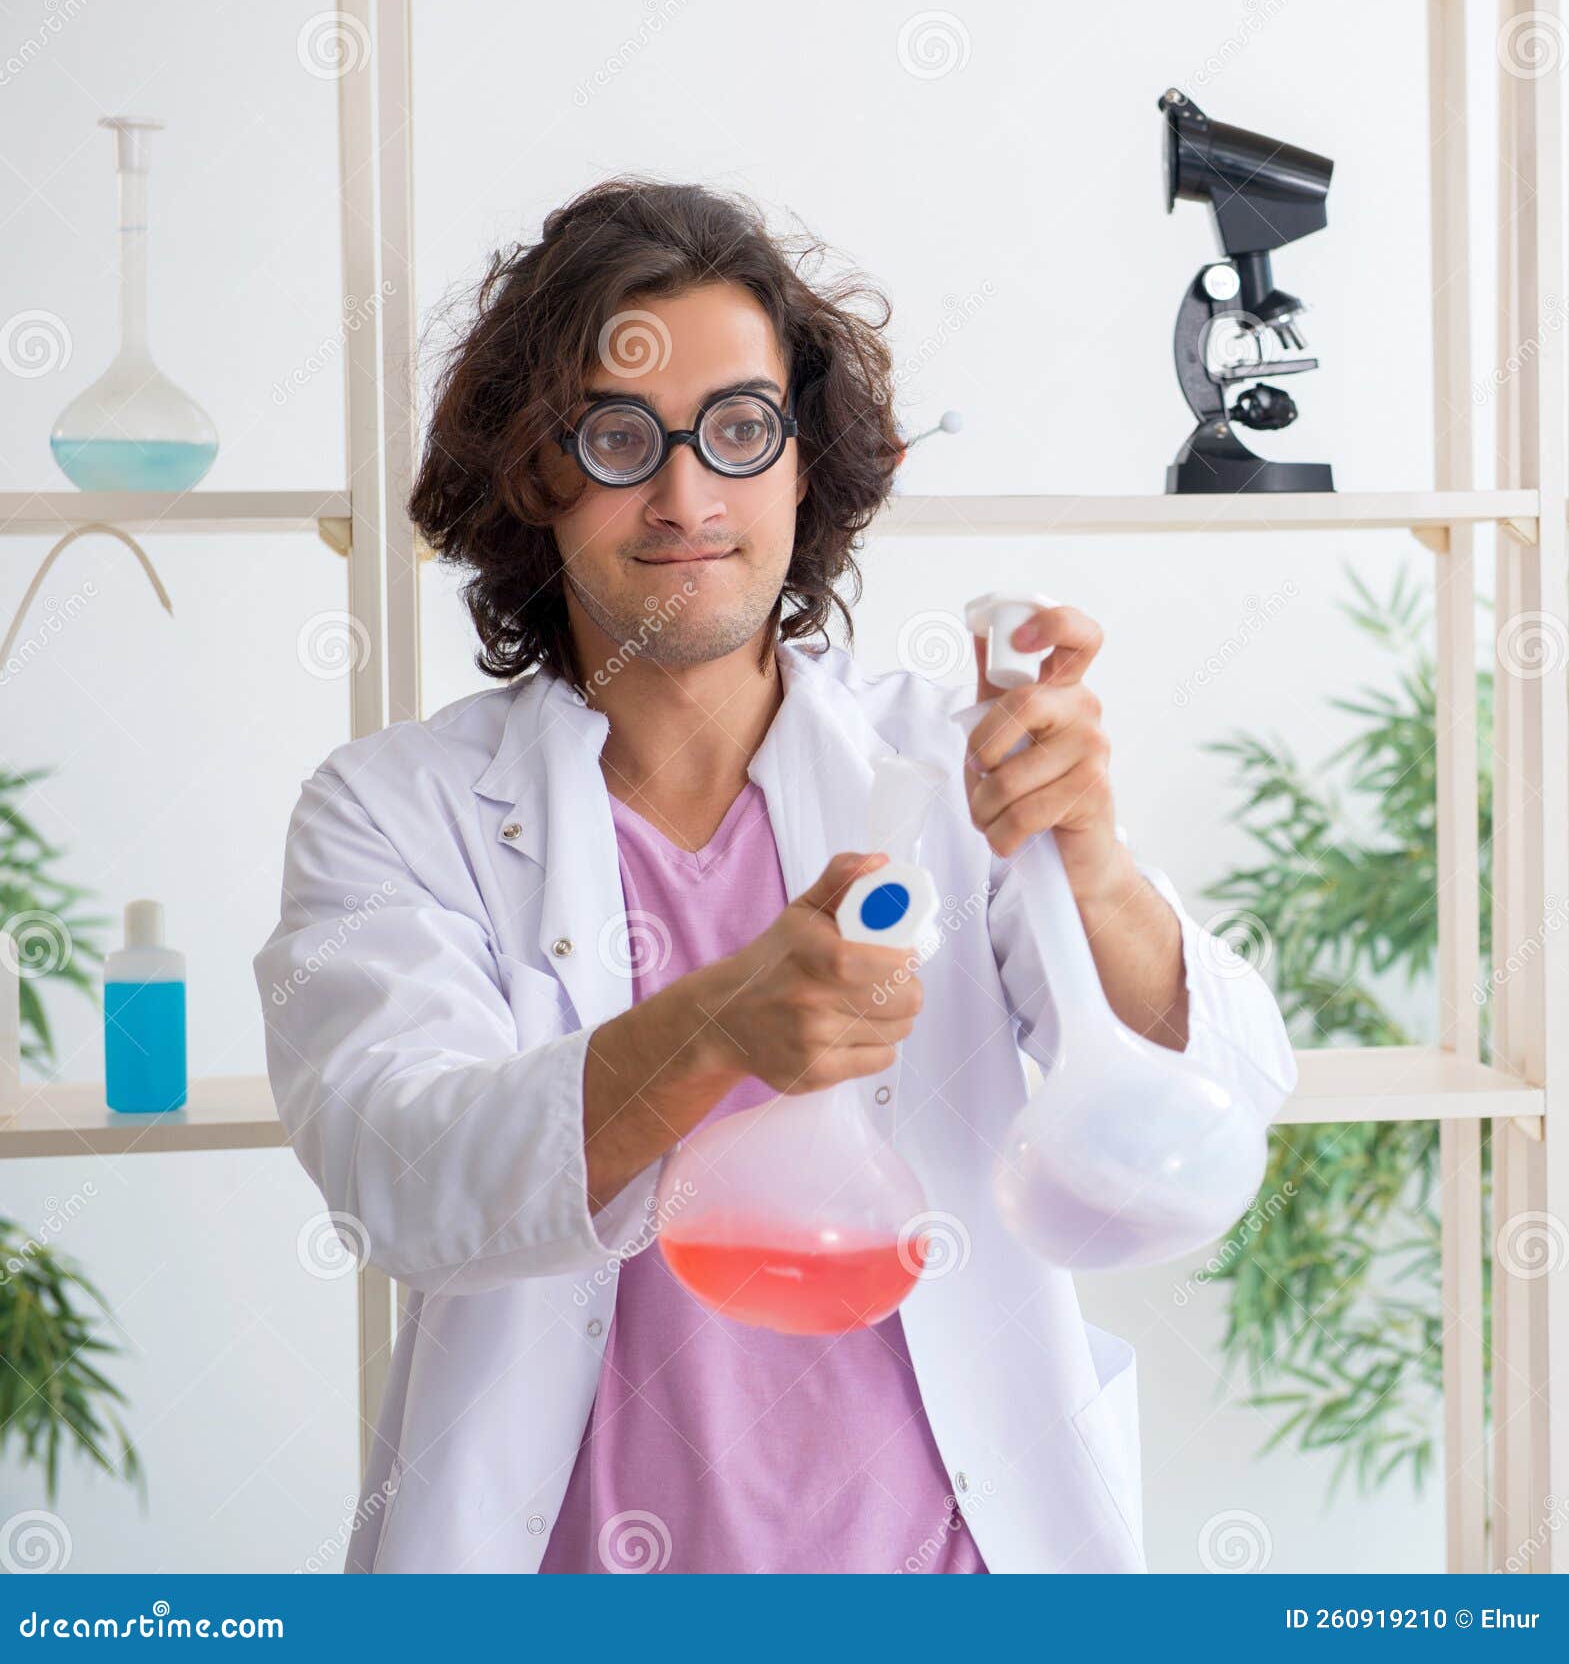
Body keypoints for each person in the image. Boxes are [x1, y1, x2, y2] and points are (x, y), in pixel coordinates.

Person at [254, 178, 1297, 1575]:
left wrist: (1090, 868)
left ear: (807, 462)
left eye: (739, 429)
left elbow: (1198, 1142)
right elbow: (401, 1174)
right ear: (533, 474)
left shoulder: (949, 762)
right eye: (618, 436)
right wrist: (715, 1025)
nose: (685, 496)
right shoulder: (393, 812)